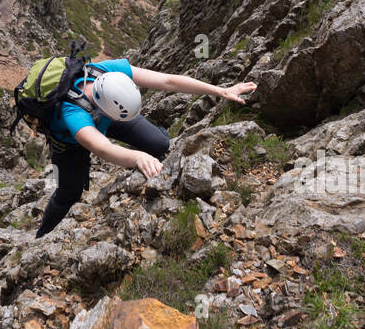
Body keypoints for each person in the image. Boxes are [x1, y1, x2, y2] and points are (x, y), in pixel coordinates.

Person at [35, 58, 256, 237]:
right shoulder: (73, 113)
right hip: (69, 143)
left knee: (159, 144)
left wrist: (221, 91)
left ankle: (137, 137)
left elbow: (169, 81)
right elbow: (100, 147)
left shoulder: (108, 71)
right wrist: (138, 158)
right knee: (69, 194)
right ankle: (42, 234)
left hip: (110, 115)